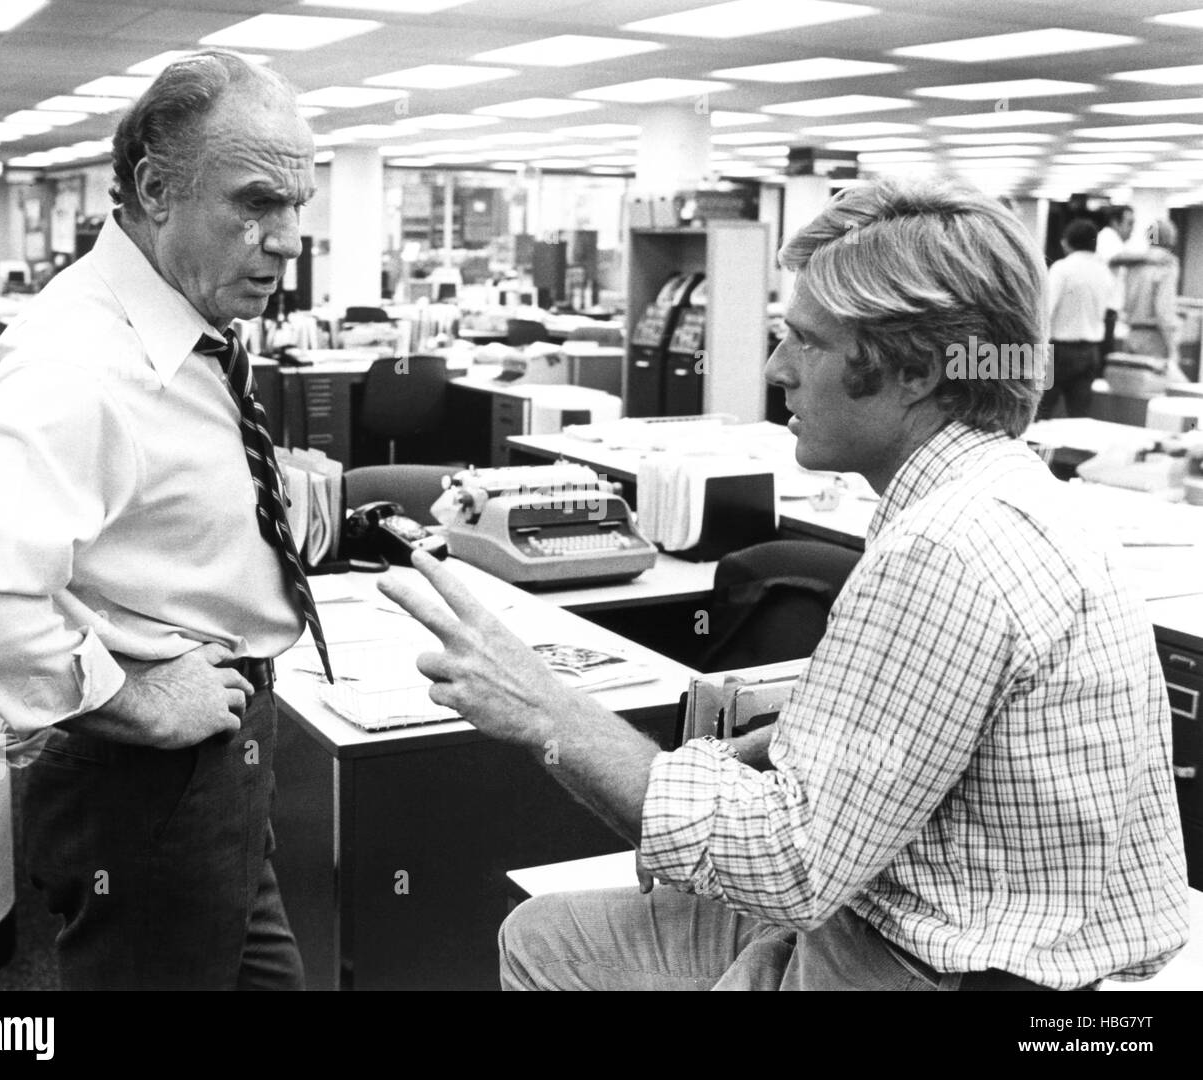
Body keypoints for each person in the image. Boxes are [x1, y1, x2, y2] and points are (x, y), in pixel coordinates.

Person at [380, 177, 1189, 991]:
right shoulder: (1015, 497)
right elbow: (936, 734)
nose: (775, 369)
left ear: (911, 371)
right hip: (1012, 941)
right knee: (551, 934)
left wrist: (542, 709)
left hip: (935, 968)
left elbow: (790, 865)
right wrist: (758, 750)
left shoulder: (944, 550)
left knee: (550, 945)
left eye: (805, 341)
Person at [0, 50, 324, 989]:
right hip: (150, 780)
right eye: (256, 202)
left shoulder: (178, 325)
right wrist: (130, 697)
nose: (288, 239)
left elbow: (155, 511)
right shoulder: (78, 361)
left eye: (297, 206)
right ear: (154, 189)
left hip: (221, 754)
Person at [1038, 218, 1114, 419]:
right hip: (1090, 352)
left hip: (1057, 351)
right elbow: (1109, 311)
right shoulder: (1105, 271)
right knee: (1079, 416)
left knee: (1041, 411)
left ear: (1066, 242)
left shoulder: (1062, 269)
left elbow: (1045, 311)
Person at [1122, 217, 1187, 383]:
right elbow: (1163, 309)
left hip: (1132, 335)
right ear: (1171, 239)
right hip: (1154, 339)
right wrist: (1173, 347)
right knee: (1156, 392)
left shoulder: (1136, 261)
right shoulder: (1168, 262)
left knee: (1134, 394)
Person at [1096, 204, 1135, 363]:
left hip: (1110, 310)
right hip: (1105, 310)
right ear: (1115, 222)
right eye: (1129, 223)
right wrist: (1148, 257)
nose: (1132, 229)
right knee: (1104, 356)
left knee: (1107, 353)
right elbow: (1115, 258)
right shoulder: (1107, 236)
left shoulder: (1117, 242)